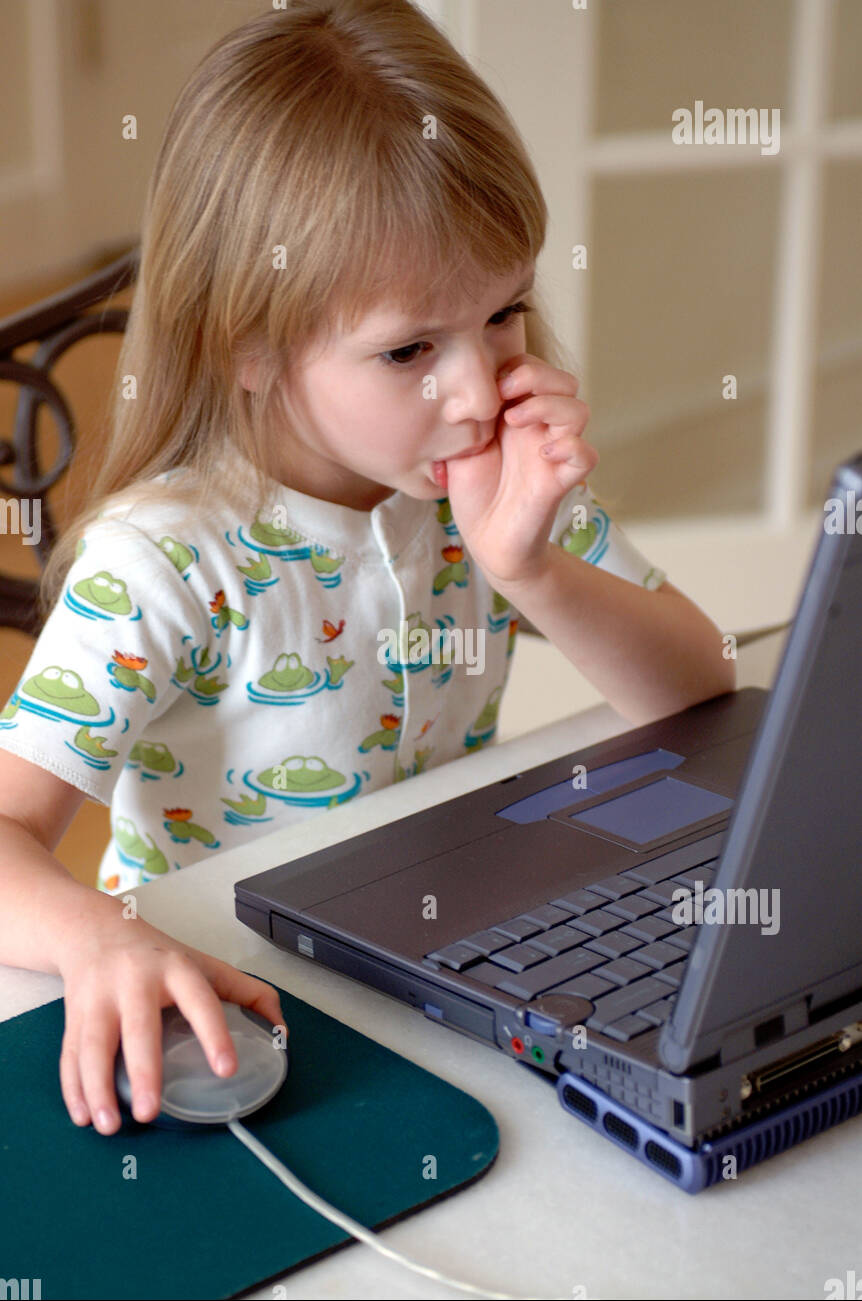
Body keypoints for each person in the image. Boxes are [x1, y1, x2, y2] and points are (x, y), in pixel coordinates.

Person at [0, 0, 733, 1137]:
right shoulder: (160, 560)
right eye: (408, 350)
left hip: (451, 954)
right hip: (241, 992)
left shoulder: (479, 480)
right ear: (242, 341)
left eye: (504, 314)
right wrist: (107, 940)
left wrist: (531, 568)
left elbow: (697, 691)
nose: (482, 388)